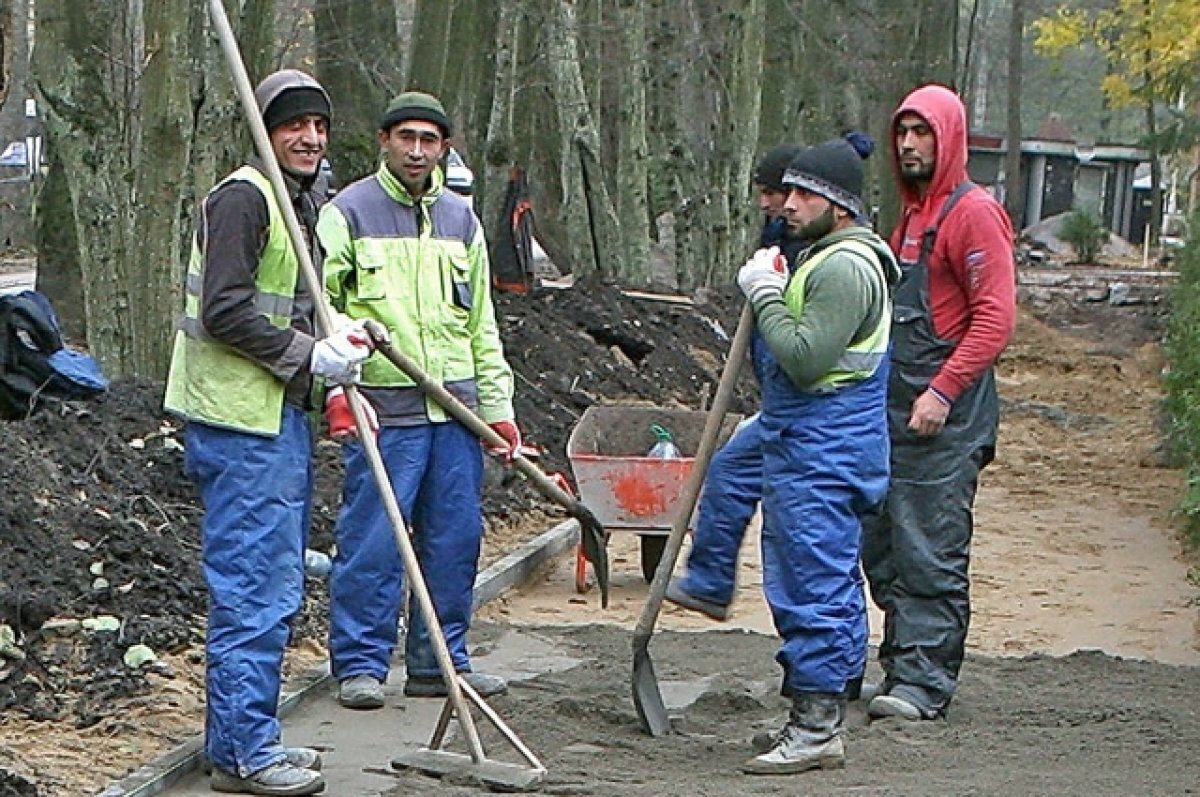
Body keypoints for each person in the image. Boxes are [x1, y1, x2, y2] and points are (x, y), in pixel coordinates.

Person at [164, 69, 373, 796]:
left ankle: (239, 743)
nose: (309, 137)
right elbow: (225, 309)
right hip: (239, 423)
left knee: (269, 586)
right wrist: (307, 354)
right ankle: (250, 752)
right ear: (264, 129)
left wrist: (334, 336)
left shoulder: (295, 202)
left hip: (271, 416)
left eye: (318, 125)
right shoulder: (245, 200)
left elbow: (280, 301)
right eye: (293, 125)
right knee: (256, 590)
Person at [317, 91, 519, 709]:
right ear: (384, 141)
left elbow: (481, 322)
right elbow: (321, 308)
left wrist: (497, 407)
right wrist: (335, 390)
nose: (416, 150)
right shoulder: (347, 212)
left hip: (453, 412)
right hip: (384, 406)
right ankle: (360, 665)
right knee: (375, 540)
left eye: (429, 140)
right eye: (405, 137)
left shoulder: (461, 220)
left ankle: (440, 661)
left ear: (444, 148)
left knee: (453, 541)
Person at [734, 135, 899, 775]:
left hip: (822, 446)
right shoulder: (831, 256)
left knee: (813, 581)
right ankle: (817, 709)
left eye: (806, 195)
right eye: (790, 191)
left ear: (841, 204)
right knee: (822, 577)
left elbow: (803, 360)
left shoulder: (843, 267)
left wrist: (765, 293)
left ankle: (816, 725)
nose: (790, 206)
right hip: (822, 439)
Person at [861, 83, 1016, 722]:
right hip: (898, 408)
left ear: (948, 137)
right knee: (887, 546)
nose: (908, 144)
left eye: (922, 133)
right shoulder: (910, 217)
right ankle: (902, 666)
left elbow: (996, 316)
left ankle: (925, 685)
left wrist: (943, 391)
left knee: (930, 546)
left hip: (943, 420)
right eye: (902, 133)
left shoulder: (972, 214)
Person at [662, 144, 802, 621]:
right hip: (782, 403)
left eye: (773, 192)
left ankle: (831, 667)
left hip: (813, 412)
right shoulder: (782, 239)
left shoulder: (818, 253)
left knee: (809, 543)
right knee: (728, 473)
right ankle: (710, 583)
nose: (765, 202)